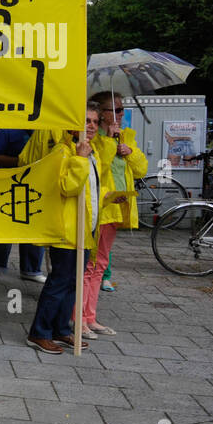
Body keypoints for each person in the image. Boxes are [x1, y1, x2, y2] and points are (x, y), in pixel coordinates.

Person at [22, 101, 100, 356]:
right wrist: (80, 159)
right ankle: (39, 332)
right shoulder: (64, 152)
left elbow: (93, 191)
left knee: (73, 283)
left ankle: (59, 328)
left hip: (85, 230)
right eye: (86, 121)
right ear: (72, 125)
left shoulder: (92, 152)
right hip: (67, 230)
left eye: (95, 122)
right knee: (59, 282)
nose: (91, 126)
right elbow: (67, 187)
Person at [82, 92, 147, 335]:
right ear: (101, 113)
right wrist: (109, 141)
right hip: (100, 209)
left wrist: (130, 151)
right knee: (89, 265)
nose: (120, 114)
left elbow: (141, 170)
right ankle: (78, 317)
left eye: (121, 109)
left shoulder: (127, 135)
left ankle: (91, 316)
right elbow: (101, 167)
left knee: (101, 264)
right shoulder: (94, 137)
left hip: (119, 208)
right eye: (114, 110)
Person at [0, 128, 46, 284]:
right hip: (9, 185)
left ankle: (31, 269)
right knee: (5, 229)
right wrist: (22, 162)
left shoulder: (48, 130)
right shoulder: (8, 129)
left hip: (38, 186)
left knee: (34, 227)